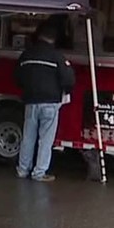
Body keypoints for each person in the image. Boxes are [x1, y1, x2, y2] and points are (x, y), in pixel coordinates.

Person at [15, 24, 75, 182]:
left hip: (30, 101)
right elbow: (69, 80)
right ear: (53, 40)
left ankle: (22, 169)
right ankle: (39, 173)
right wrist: (65, 91)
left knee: (28, 137)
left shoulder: (26, 55)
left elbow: (17, 77)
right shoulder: (57, 56)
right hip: (50, 102)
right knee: (45, 139)